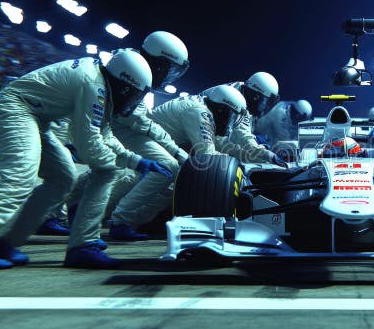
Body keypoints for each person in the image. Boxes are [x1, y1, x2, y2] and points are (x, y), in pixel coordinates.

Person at [0, 50, 172, 269]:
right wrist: (123, 163)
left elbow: (104, 135)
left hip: (34, 116)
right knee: (21, 177)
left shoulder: (100, 82)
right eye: (132, 94)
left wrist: (136, 161)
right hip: (15, 109)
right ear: (123, 84)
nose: (132, 101)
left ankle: (8, 244)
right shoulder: (93, 85)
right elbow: (89, 144)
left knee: (63, 179)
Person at [106, 85, 248, 238]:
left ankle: (132, 220)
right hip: (142, 135)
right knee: (167, 171)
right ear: (222, 110)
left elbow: (213, 147)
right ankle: (122, 220)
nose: (231, 122)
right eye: (232, 116)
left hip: (155, 140)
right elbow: (207, 154)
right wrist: (238, 164)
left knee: (170, 181)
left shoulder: (203, 109)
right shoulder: (199, 112)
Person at [105, 31, 192, 241]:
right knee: (167, 166)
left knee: (119, 172)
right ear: (159, 62)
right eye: (169, 69)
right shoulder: (132, 69)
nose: (169, 75)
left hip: (121, 126)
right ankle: (121, 220)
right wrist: (176, 150)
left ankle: (104, 213)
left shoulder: (134, 65)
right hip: (115, 126)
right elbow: (140, 121)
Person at [204, 72, 287, 166]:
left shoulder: (244, 90)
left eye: (268, 103)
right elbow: (242, 135)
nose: (264, 107)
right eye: (263, 102)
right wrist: (265, 153)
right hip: (204, 132)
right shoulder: (235, 99)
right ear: (255, 97)